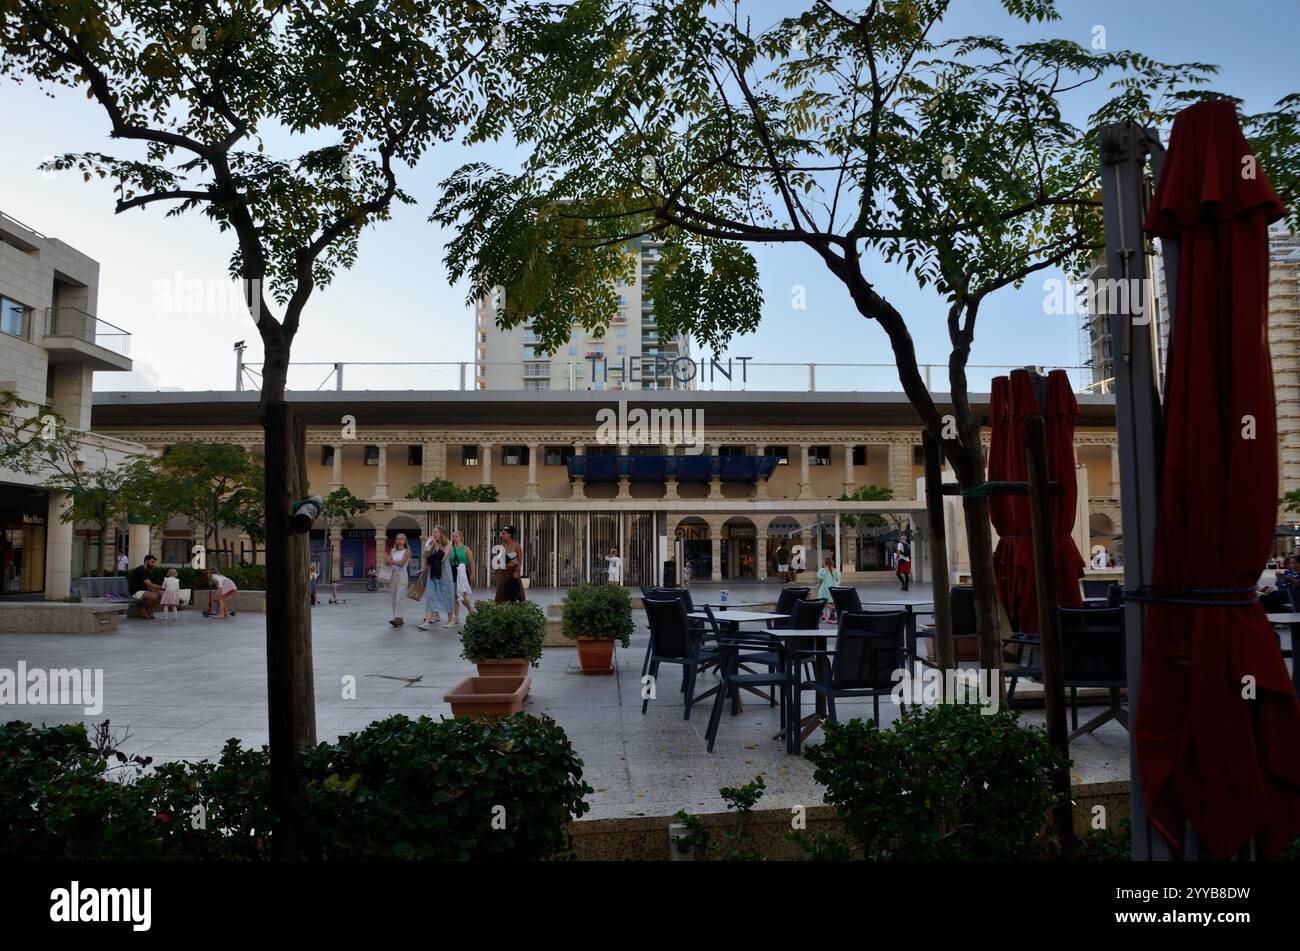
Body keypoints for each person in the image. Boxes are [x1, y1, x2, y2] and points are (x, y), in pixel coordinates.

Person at [417, 525, 450, 631]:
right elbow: (427, 559)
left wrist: (436, 546)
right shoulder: (431, 544)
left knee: (446, 596)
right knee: (430, 596)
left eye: (435, 532)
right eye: (433, 532)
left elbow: (443, 557)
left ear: (441, 533)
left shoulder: (448, 544)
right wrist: (427, 548)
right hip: (433, 574)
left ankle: (451, 619)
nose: (433, 534)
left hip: (444, 574)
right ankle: (427, 622)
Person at [446, 529, 476, 627]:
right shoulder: (450, 549)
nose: (455, 538)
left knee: (462, 596)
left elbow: (471, 563)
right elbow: (447, 562)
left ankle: (471, 609)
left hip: (463, 572)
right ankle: (456, 617)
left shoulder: (466, 549)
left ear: (461, 537)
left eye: (456, 536)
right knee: (454, 596)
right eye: (453, 536)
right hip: (453, 571)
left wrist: (472, 574)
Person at [385, 533, 412, 627]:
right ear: (396, 541)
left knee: (399, 597)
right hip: (393, 575)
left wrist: (390, 561)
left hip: (402, 575)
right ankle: (399, 618)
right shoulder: (393, 551)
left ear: (405, 541)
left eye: (401, 539)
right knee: (393, 597)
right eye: (398, 539)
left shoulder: (407, 551)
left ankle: (397, 617)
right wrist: (388, 561)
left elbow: (401, 563)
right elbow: (390, 564)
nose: (399, 540)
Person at [494, 525, 525, 603]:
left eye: (504, 534)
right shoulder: (503, 547)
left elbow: (520, 560)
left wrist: (517, 572)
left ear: (509, 535)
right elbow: (498, 561)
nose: (502, 536)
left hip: (513, 572)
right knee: (501, 593)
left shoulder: (516, 546)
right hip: (504, 572)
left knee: (515, 591)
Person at [128, 555, 163, 619]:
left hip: (144, 591)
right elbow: (149, 584)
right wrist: (162, 587)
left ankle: (148, 609)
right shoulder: (140, 570)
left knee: (162, 595)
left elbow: (149, 586)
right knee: (154, 596)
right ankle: (143, 610)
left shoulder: (148, 571)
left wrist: (159, 591)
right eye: (152, 562)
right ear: (146, 561)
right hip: (136, 591)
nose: (153, 564)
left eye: (154, 562)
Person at [816, 556, 841, 621]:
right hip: (833, 588)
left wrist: (818, 585)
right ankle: (832, 615)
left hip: (824, 588)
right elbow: (837, 579)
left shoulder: (822, 570)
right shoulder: (836, 570)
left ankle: (823, 614)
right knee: (832, 601)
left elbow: (820, 580)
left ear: (824, 563)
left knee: (823, 600)